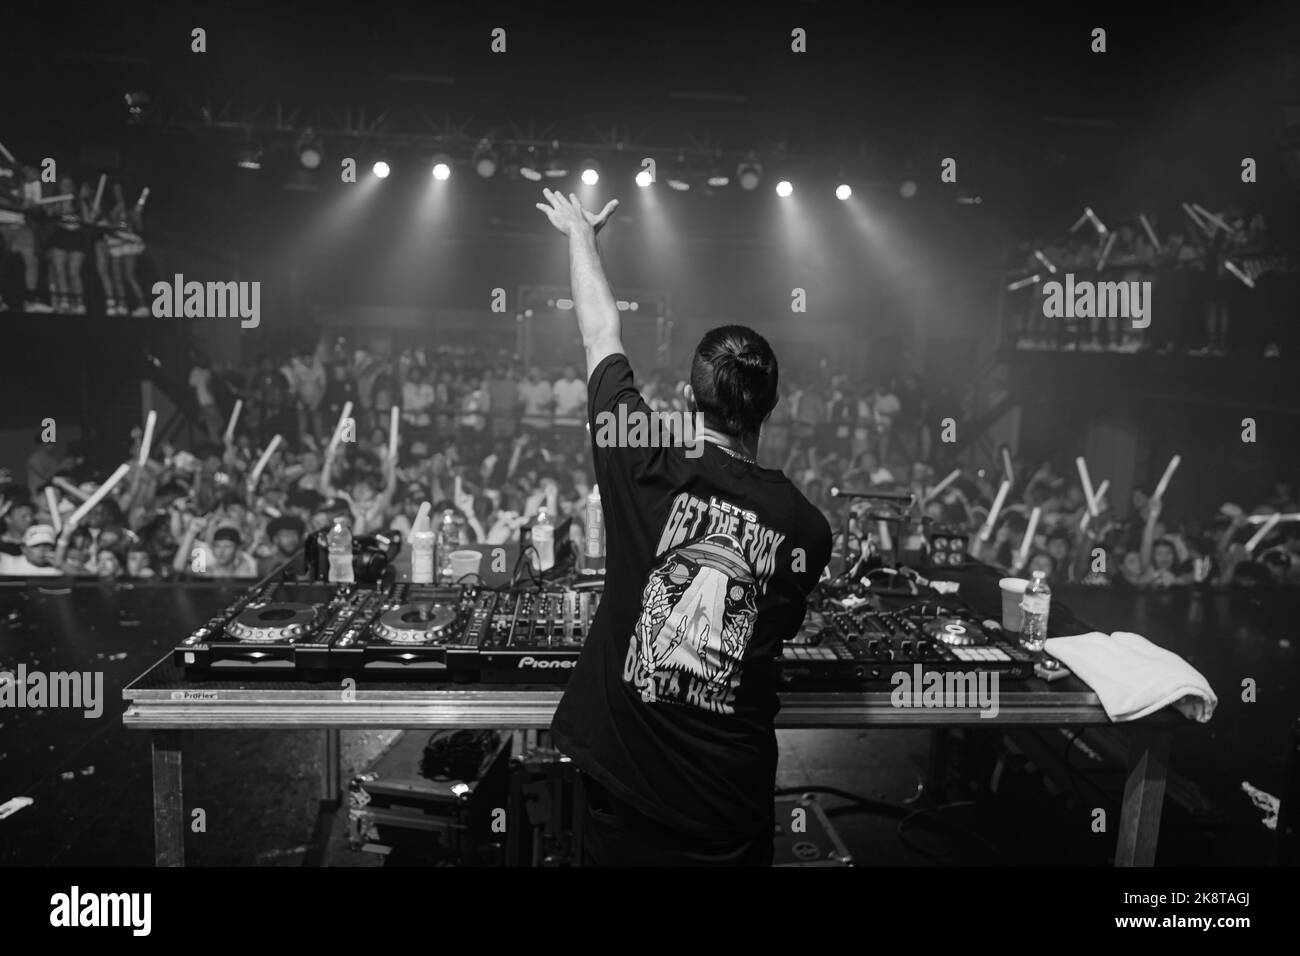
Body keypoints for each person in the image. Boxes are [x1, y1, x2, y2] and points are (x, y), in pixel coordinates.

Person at [535, 188, 832, 866]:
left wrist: (580, 235)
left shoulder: (639, 451)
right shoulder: (807, 530)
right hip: (728, 803)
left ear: (683, 400)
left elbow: (599, 332)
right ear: (769, 409)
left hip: (629, 787)